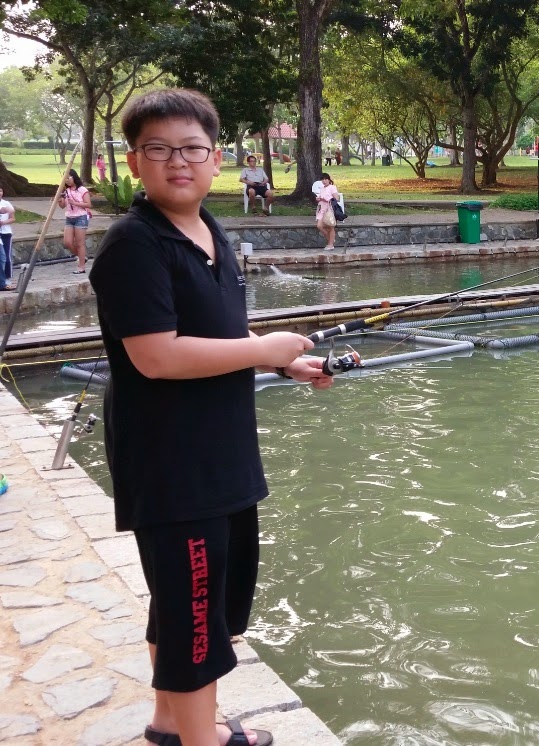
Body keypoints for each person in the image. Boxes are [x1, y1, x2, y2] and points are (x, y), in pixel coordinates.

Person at [88, 87, 333, 746]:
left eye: (192, 149)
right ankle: (205, 741)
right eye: (159, 149)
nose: (178, 162)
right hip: (173, 465)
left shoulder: (206, 229)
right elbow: (156, 356)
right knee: (196, 614)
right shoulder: (134, 245)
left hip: (222, 456)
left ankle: (172, 724)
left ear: (215, 157)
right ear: (133, 161)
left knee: (198, 605)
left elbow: (221, 328)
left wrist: (284, 364)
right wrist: (262, 350)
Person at [58, 168, 91, 273]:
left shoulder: (82, 190)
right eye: (65, 178)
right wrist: (60, 199)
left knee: (79, 243)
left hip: (80, 217)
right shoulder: (66, 191)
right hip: (69, 218)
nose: (67, 180)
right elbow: (63, 206)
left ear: (74, 177)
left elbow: (88, 204)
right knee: (67, 242)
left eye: (68, 177)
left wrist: (75, 203)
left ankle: (81, 267)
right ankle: (82, 258)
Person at [315, 172, 341, 250]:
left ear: (329, 180)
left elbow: (336, 198)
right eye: (322, 179)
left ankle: (330, 244)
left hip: (329, 209)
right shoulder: (322, 188)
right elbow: (321, 197)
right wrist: (319, 199)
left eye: (325, 179)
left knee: (331, 227)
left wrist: (327, 200)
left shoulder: (332, 187)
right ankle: (331, 239)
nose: (324, 181)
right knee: (319, 226)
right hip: (322, 209)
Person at [0, 186, 14, 290]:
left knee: (6, 258)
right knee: (2, 258)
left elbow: (12, 215)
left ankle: (7, 279)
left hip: (5, 232)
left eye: (0, 190)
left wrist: (3, 222)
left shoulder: (6, 203)